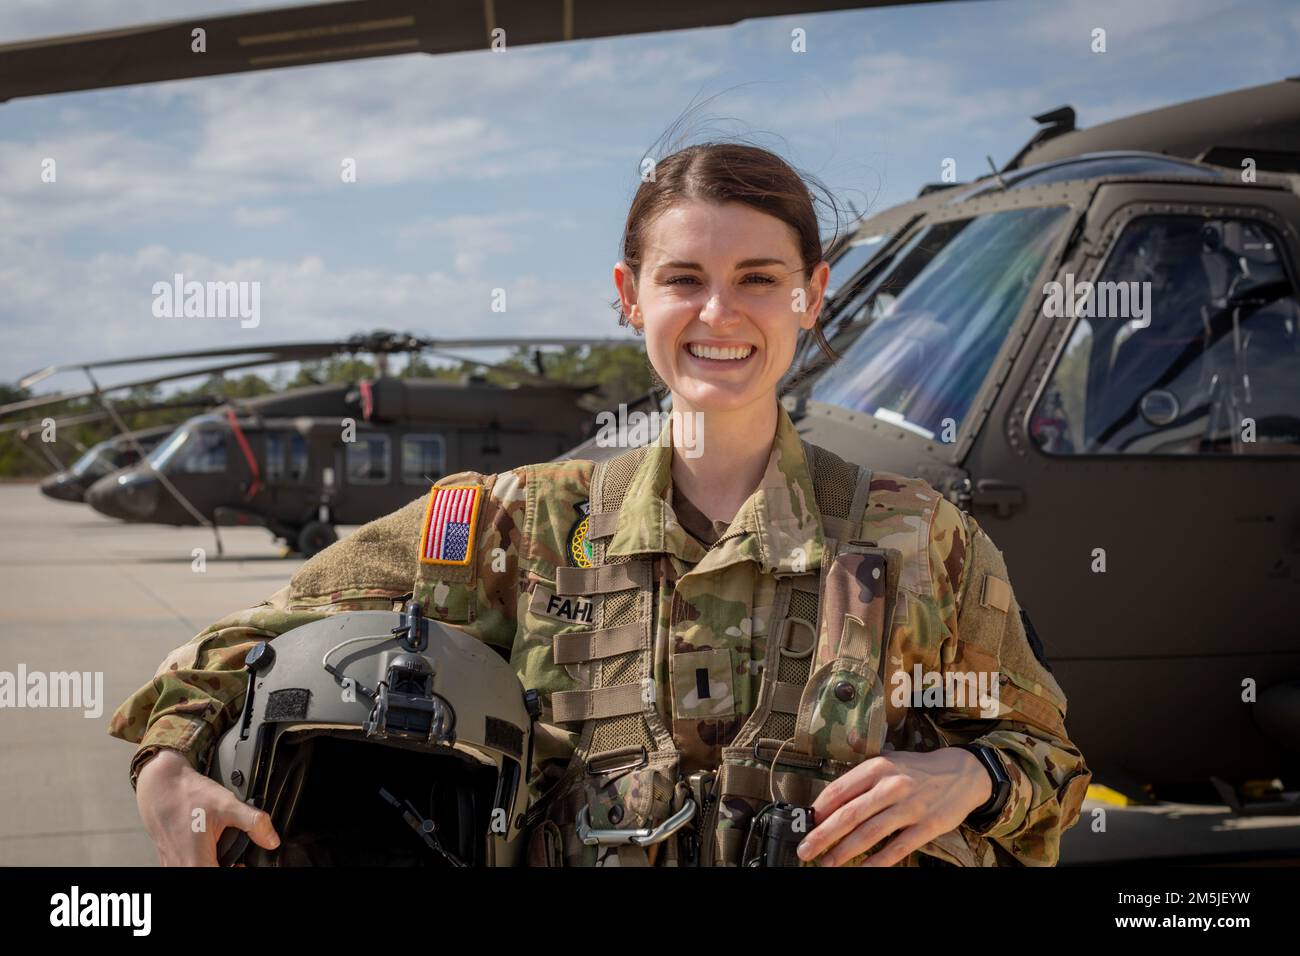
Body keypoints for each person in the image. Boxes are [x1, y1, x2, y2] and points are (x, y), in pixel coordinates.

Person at [111, 142, 1091, 867]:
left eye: (759, 278)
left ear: (812, 295)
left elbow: (1045, 756)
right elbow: (257, 638)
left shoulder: (918, 535)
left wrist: (975, 776)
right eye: (683, 280)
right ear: (630, 296)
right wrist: (167, 767)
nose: (719, 313)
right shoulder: (517, 524)